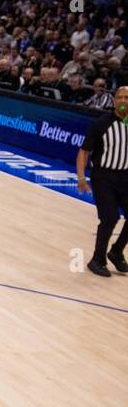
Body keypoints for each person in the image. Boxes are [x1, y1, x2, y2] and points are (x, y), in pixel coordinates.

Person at [77, 86, 128, 277]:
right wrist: (81, 177)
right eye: (120, 97)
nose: (123, 101)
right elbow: (83, 151)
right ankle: (97, 260)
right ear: (114, 101)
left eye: (127, 98)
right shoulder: (102, 123)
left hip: (125, 177)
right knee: (109, 217)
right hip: (103, 177)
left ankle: (116, 252)